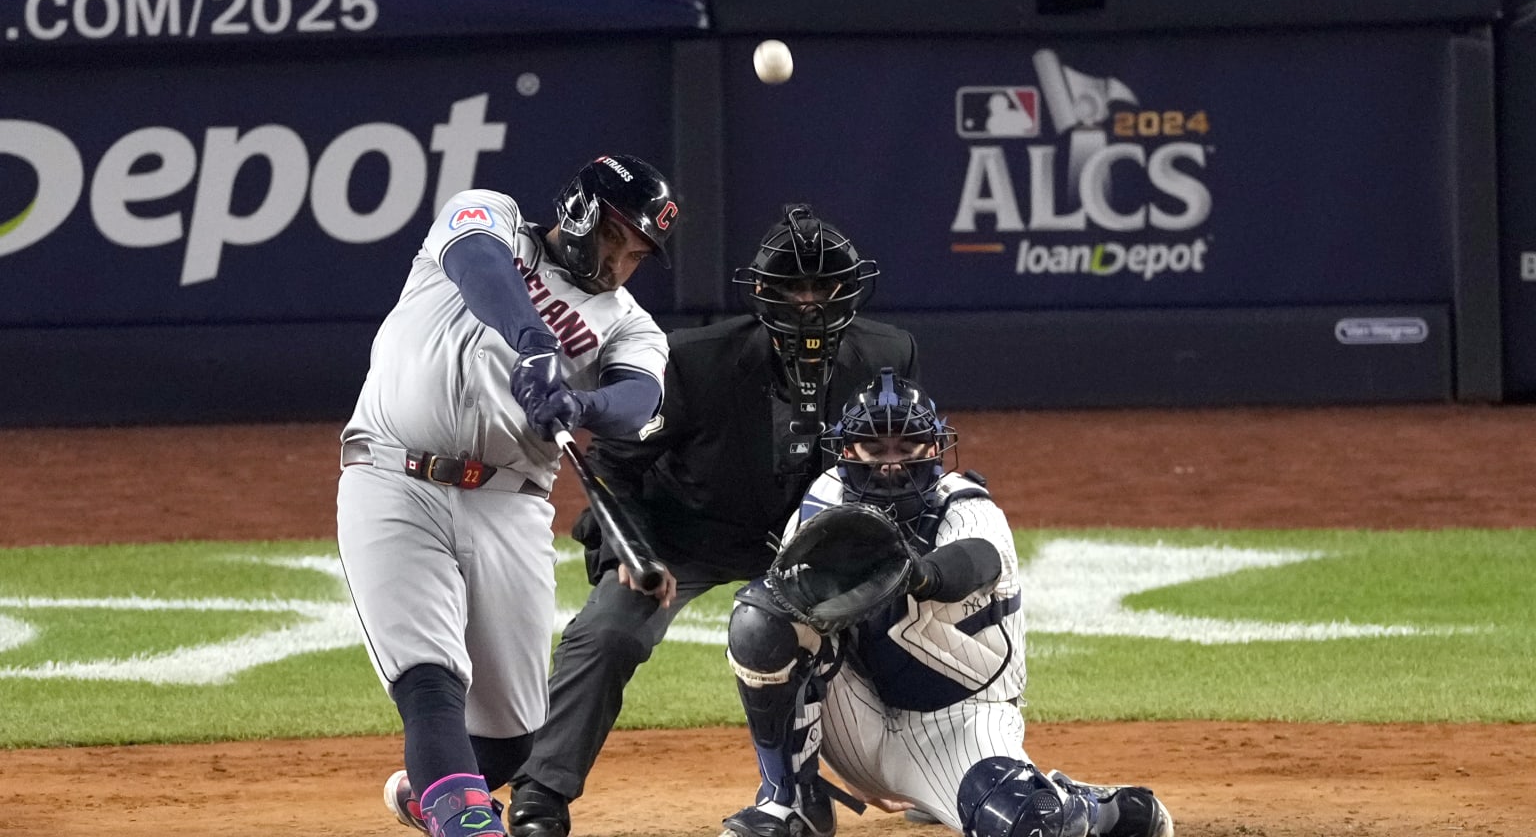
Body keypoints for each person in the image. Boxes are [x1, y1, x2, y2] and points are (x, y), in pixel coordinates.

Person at [508, 204, 920, 837]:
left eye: (822, 286)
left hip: (812, 545)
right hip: (687, 534)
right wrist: (630, 551)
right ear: (763, 292)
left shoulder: (888, 353)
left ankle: (924, 772)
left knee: (913, 615)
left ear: (849, 289)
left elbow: (901, 464)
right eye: (792, 287)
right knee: (610, 631)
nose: (808, 303)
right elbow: (615, 463)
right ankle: (540, 794)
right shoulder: (694, 361)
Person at [336, 154, 681, 837]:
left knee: (514, 739)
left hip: (511, 502)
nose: (621, 264)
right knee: (430, 680)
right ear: (583, 213)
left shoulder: (629, 323)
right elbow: (480, 269)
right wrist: (534, 345)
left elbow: (638, 400)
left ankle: (430, 787)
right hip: (393, 476)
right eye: (618, 240)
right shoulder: (487, 214)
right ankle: (463, 817)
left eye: (637, 254)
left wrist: (580, 404)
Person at [717, 369, 1176, 837]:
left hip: (959, 723)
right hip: (857, 717)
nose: (891, 463)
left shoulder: (968, 508)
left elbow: (975, 561)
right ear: (848, 451)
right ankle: (790, 803)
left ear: (934, 449)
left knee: (1028, 823)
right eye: (876, 448)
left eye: (907, 446)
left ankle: (1092, 808)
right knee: (762, 620)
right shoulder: (825, 500)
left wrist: (919, 573)